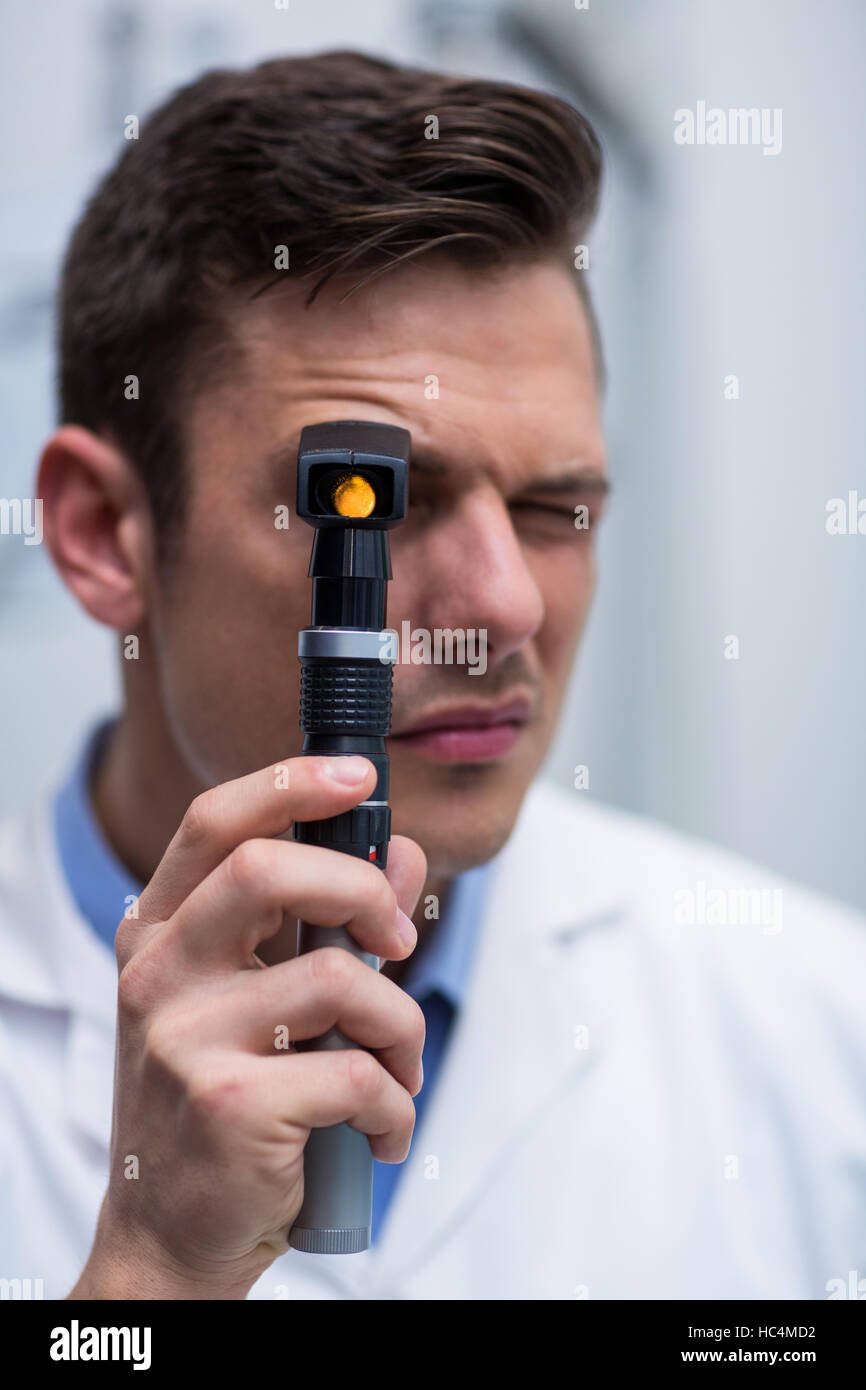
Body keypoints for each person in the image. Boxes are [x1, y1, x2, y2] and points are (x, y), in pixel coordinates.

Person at [1, 50, 864, 1303]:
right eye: (379, 506)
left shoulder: (818, 1033)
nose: (505, 606)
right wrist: (153, 1276)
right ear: (101, 533)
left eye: (555, 508)